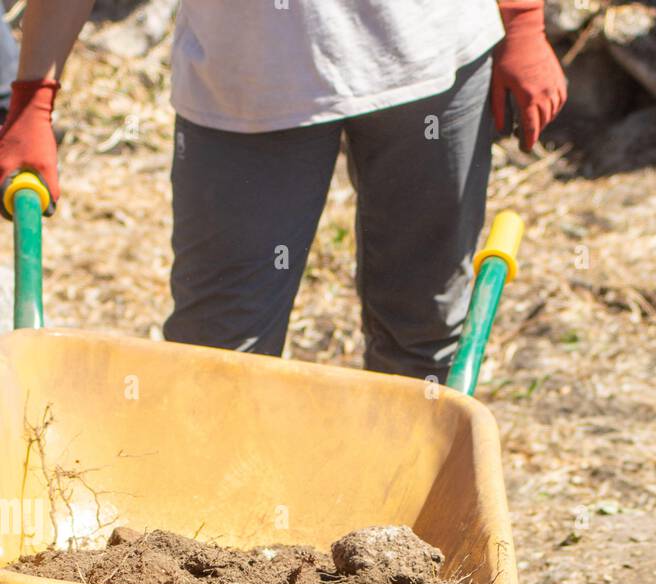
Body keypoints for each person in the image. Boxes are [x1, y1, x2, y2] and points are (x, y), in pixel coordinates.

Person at [0, 1, 565, 380]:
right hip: (245, 87)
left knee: (424, 338)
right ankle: (208, 547)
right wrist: (33, 99)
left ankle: (400, 542)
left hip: (433, 60)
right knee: (219, 356)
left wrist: (522, 21)